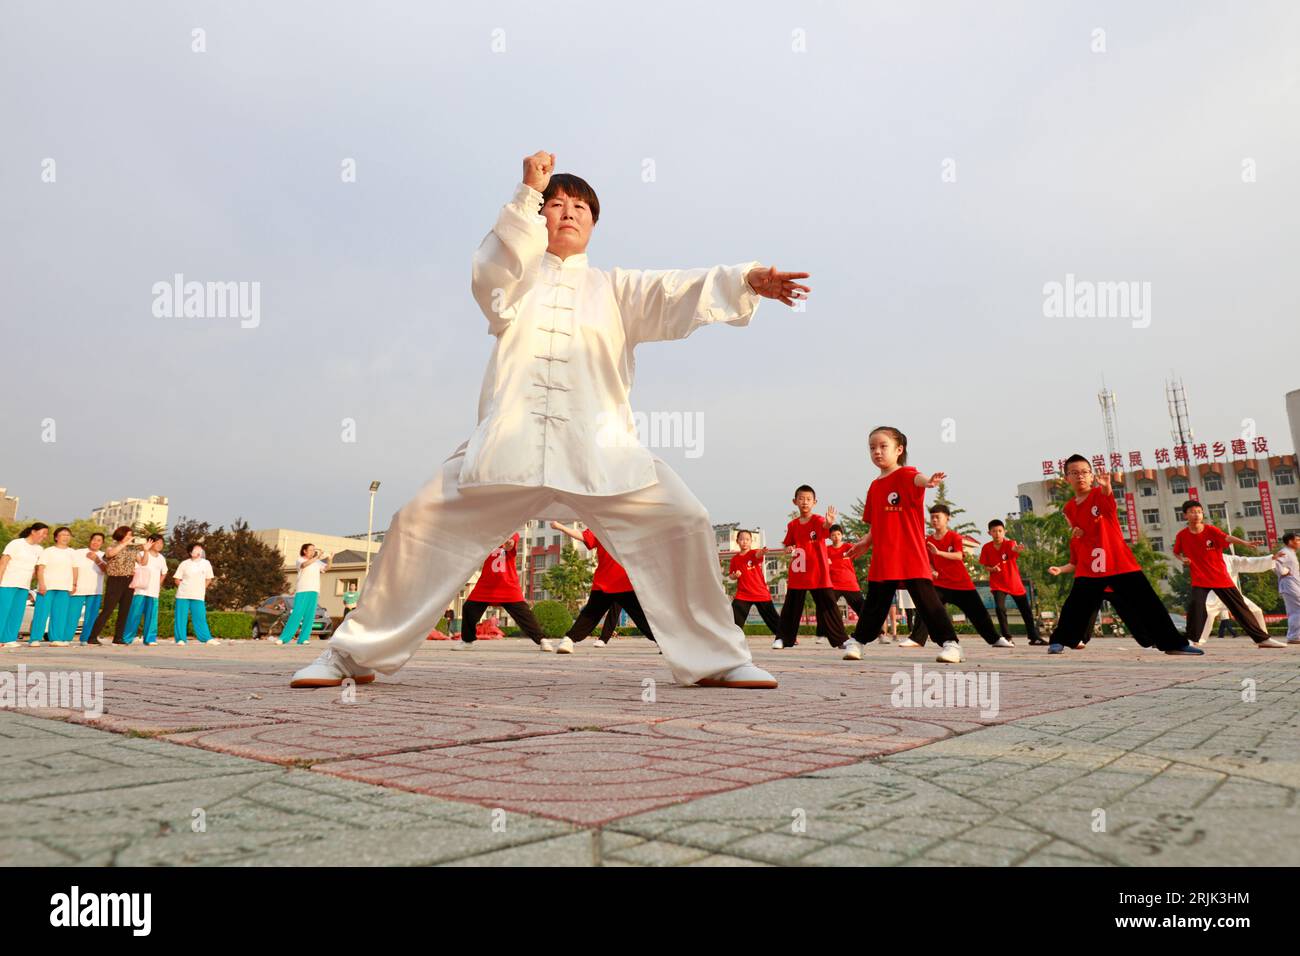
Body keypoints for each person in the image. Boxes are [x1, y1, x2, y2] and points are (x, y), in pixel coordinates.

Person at [290, 151, 805, 690]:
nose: (568, 212)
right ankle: (350, 657)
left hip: (599, 447)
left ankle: (717, 660)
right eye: (555, 204)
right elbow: (493, 268)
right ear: (538, 217)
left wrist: (745, 280)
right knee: (416, 523)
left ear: (594, 223)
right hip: (507, 443)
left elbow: (676, 288)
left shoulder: (615, 289)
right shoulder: (513, 284)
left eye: (580, 206)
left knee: (684, 520)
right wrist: (525, 194)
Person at [1050, 455, 1199, 655]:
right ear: (1067, 477)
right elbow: (1078, 529)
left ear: (1091, 475)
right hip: (1090, 566)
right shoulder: (1069, 507)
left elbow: (1109, 506)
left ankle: (1174, 644)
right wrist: (1077, 532)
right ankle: (1059, 641)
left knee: (1148, 603)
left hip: (1118, 562)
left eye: (1085, 472)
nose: (1080, 477)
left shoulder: (1099, 494)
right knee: (1075, 606)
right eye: (1074, 473)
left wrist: (1106, 487)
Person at [842, 427, 965, 663]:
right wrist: (865, 542)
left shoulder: (907, 474)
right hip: (885, 555)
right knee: (875, 603)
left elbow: (917, 479)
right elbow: (876, 523)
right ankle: (857, 642)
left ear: (899, 450)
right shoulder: (874, 486)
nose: (877, 452)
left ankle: (951, 644)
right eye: (872, 448)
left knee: (927, 600)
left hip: (910, 553)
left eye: (883, 446)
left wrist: (928, 481)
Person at [1173, 501, 1283, 648]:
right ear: (1185, 515)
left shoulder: (1210, 530)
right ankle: (1192, 640)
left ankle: (1263, 639)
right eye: (1192, 512)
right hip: (1200, 579)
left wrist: (1245, 543)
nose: (1196, 515)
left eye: (1199, 511)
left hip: (1220, 578)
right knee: (1196, 606)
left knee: (1240, 608)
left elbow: (1227, 538)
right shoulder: (1182, 535)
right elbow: (1176, 552)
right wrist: (1182, 559)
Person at [908, 505, 1009, 648]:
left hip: (961, 584)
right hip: (940, 583)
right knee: (926, 605)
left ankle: (995, 639)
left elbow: (958, 556)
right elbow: (928, 561)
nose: (934, 520)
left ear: (947, 518)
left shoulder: (954, 537)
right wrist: (932, 570)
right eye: (932, 517)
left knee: (978, 613)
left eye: (938, 517)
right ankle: (917, 639)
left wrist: (939, 553)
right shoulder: (928, 540)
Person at [550, 521, 657, 652]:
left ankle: (665, 643)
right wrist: (560, 527)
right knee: (590, 614)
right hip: (604, 582)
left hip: (625, 582)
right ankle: (568, 640)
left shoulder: (632, 527)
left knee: (641, 617)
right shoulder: (600, 526)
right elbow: (583, 536)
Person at [775, 486, 854, 657]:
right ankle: (783, 638)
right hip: (799, 573)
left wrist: (829, 522)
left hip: (818, 572)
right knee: (791, 606)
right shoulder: (793, 525)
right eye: (801, 498)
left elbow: (825, 528)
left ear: (814, 502)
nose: (804, 502)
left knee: (828, 606)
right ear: (794, 501)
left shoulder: (818, 520)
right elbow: (788, 543)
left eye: (808, 499)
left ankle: (841, 640)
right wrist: (788, 548)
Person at [451, 533, 553, 651]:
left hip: (507, 584)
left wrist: (510, 543)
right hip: (487, 584)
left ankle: (542, 640)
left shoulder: (512, 533)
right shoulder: (488, 537)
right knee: (469, 608)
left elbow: (512, 542)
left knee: (524, 614)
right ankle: (467, 641)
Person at [980, 519, 1046, 645]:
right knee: (1000, 608)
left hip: (1014, 583)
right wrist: (992, 569)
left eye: (1000, 531)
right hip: (998, 584)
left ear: (1005, 531)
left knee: (1026, 610)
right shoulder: (986, 548)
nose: (997, 533)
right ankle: (1007, 638)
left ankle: (1034, 637)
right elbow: (986, 566)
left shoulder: (1010, 544)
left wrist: (1017, 549)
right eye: (994, 531)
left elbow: (1014, 551)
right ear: (989, 533)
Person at [86, 526, 142, 645]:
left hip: (129, 580)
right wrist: (125, 543)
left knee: (124, 610)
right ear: (121, 535)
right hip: (115, 580)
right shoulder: (112, 547)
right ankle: (92, 637)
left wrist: (146, 550)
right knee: (108, 609)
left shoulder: (133, 549)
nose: (130, 537)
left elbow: (143, 562)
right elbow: (111, 554)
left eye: (131, 535)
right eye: (127, 534)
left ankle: (118, 637)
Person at [0, 523, 49, 648]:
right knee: (3, 611)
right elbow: (3, 562)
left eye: (46, 534)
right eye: (43, 533)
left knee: (17, 612)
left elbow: (36, 569)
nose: (45, 536)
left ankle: (9, 639)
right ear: (33, 531)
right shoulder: (16, 543)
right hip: (7, 583)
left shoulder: (40, 549)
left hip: (24, 585)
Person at [727, 529, 782, 636]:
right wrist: (735, 575)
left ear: (751, 541)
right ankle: (732, 639)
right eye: (742, 539)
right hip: (743, 594)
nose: (744, 541)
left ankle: (786, 638)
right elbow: (731, 575)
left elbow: (758, 554)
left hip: (760, 593)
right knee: (734, 619)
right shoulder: (735, 559)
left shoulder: (753, 553)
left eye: (747, 539)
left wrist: (762, 551)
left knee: (773, 619)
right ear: (737, 541)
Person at [30, 526, 77, 645]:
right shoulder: (48, 551)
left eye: (68, 535)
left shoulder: (72, 552)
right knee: (41, 613)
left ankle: (56, 638)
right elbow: (40, 569)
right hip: (47, 587)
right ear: (56, 537)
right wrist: (41, 584)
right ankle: (35, 639)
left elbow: (75, 569)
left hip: (64, 587)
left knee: (60, 615)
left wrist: (74, 584)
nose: (66, 537)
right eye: (63, 534)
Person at [278, 545, 331, 645]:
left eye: (314, 549)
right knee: (297, 613)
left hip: (314, 590)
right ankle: (284, 638)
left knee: (310, 615)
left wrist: (330, 559)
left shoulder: (317, 562)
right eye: (311, 550)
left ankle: (303, 639)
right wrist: (317, 557)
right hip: (302, 590)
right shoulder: (300, 560)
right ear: (304, 551)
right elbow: (304, 565)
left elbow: (327, 568)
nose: (313, 551)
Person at [121, 534, 167, 646]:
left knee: (152, 617)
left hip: (153, 592)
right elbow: (143, 563)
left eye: (161, 543)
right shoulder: (141, 554)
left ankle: (150, 639)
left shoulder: (161, 558)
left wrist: (158, 585)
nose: (160, 545)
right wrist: (146, 551)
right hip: (140, 590)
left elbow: (164, 573)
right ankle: (127, 638)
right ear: (150, 542)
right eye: (157, 542)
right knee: (134, 615)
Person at [173, 543, 220, 645]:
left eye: (200, 549)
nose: (198, 551)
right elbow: (177, 579)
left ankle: (206, 638)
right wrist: (183, 587)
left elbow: (209, 578)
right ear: (190, 552)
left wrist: (201, 588)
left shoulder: (206, 563)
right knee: (181, 617)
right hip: (183, 595)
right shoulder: (184, 564)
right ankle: (180, 639)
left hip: (198, 595)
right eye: (195, 549)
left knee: (200, 617)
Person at [70, 532, 107, 646]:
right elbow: (72, 568)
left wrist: (97, 559)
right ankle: (66, 637)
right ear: (90, 540)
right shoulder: (78, 552)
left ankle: (85, 639)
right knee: (72, 615)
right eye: (94, 539)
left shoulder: (104, 555)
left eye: (99, 540)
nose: (96, 542)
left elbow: (106, 570)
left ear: (102, 543)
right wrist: (73, 584)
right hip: (79, 589)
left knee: (91, 616)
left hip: (95, 590)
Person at [1274, 532, 1300, 645]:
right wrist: (1283, 572)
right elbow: (1275, 563)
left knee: (1295, 611)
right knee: (1296, 611)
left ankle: (1295, 636)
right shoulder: (1284, 552)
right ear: (1290, 541)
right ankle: (1294, 636)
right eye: (1297, 540)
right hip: (1289, 585)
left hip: (1293, 585)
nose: (1299, 542)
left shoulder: (1291, 553)